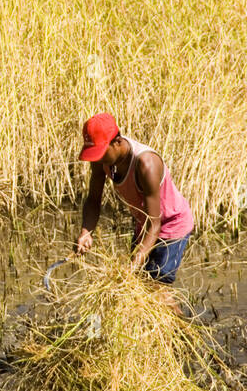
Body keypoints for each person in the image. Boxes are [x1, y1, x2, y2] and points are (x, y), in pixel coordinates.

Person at [75, 113, 194, 284]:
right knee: (138, 283)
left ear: (117, 141)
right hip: (144, 223)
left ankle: (179, 312)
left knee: (156, 286)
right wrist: (86, 232)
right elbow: (93, 200)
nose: (98, 159)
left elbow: (155, 224)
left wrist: (132, 267)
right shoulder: (101, 159)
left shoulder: (146, 164)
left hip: (171, 224)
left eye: (101, 152)